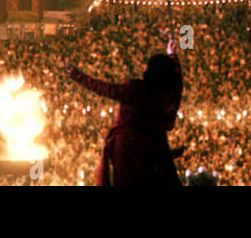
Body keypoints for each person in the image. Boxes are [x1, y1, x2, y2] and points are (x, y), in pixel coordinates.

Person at [66, 36, 183, 186]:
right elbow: (178, 84)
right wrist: (173, 56)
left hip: (128, 153)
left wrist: (75, 74)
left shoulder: (135, 90)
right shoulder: (168, 96)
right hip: (155, 153)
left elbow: (104, 89)